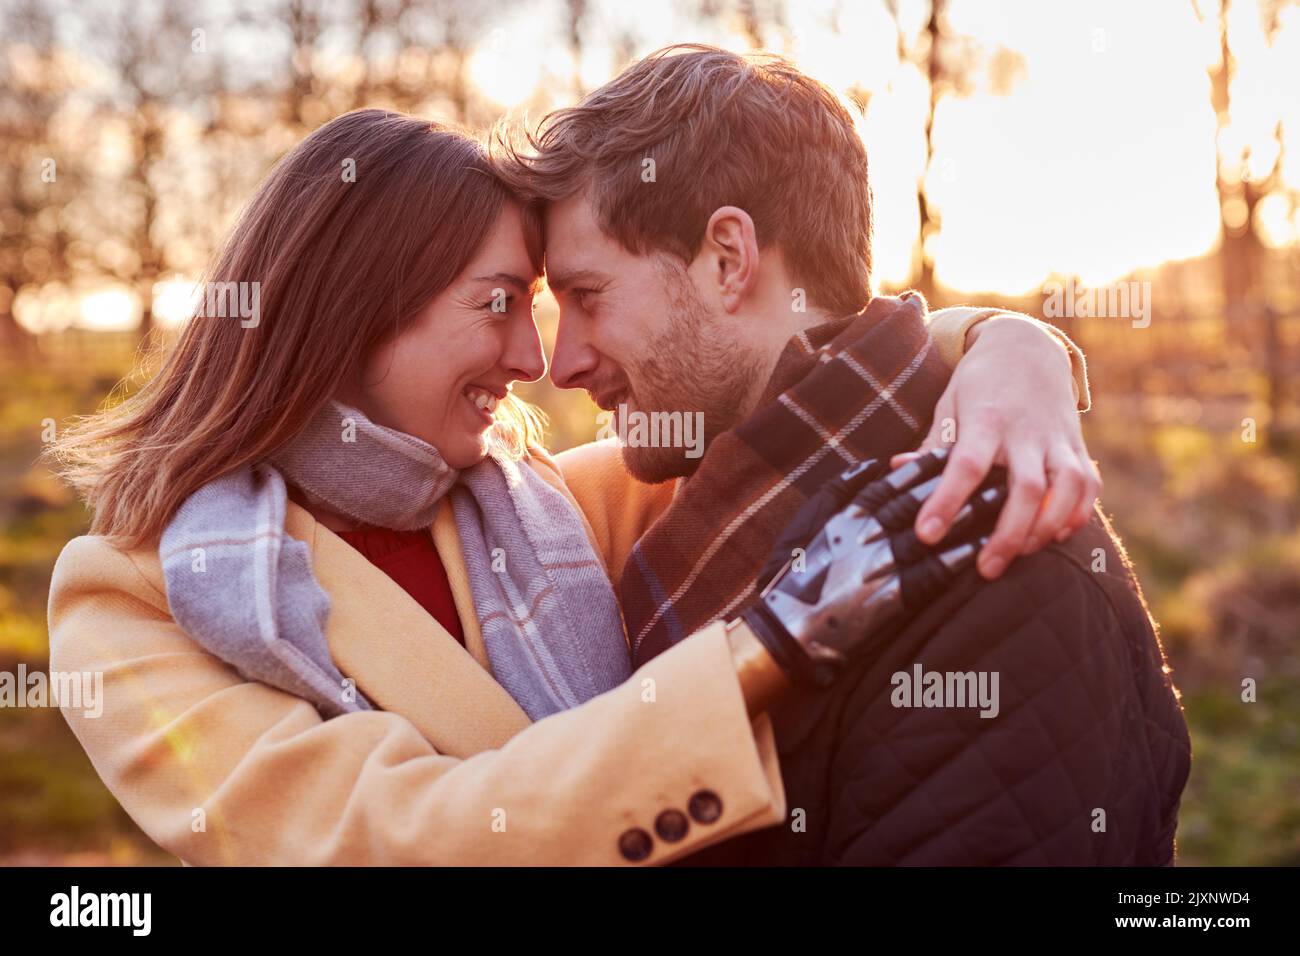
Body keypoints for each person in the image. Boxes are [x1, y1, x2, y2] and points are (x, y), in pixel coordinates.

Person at [48, 106, 1091, 866]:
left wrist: (1010, 348)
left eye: (545, 302)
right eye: (498, 303)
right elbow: (381, 837)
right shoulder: (128, 596)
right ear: (355, 310)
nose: (532, 358)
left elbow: (796, 400)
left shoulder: (538, 503)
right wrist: (764, 650)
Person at [497, 45, 1193, 864]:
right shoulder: (681, 514)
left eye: (587, 297)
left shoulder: (991, 572)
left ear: (729, 259)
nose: (562, 361)